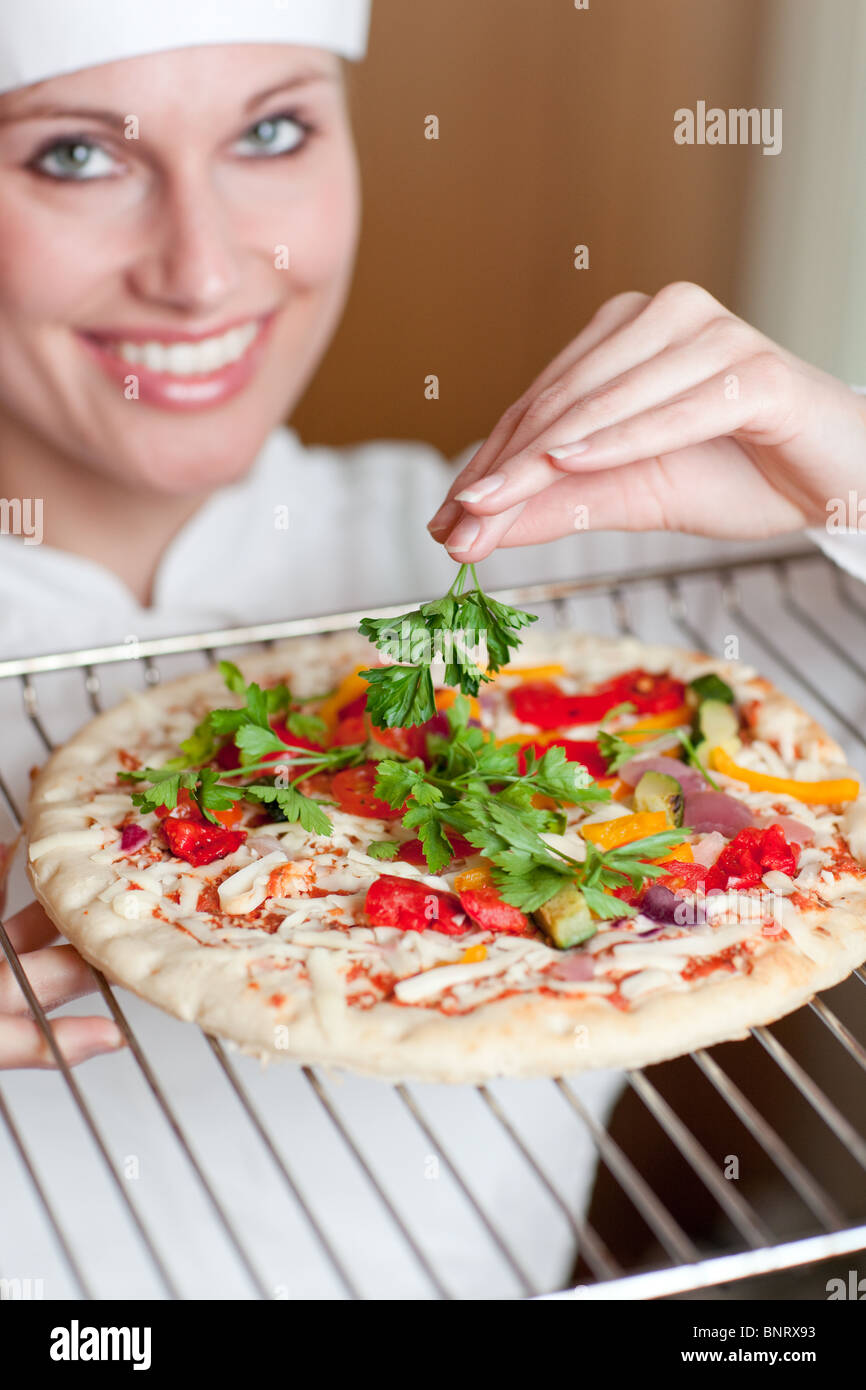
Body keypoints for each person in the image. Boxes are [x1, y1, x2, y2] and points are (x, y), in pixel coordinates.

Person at [0, 0, 863, 1294]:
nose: (203, 267)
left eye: (272, 129)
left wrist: (847, 475)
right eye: (76, 154)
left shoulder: (575, 568)